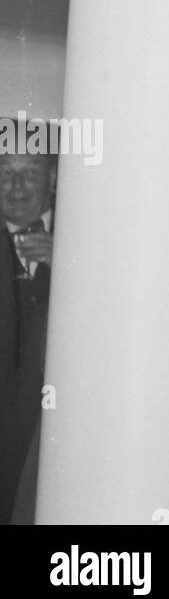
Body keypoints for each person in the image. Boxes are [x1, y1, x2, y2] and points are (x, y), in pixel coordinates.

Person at [0, 133, 55, 524]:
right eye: (6, 172)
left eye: (30, 172)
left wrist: (69, 261)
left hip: (54, 444)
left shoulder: (90, 241)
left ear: (51, 177)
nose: (17, 186)